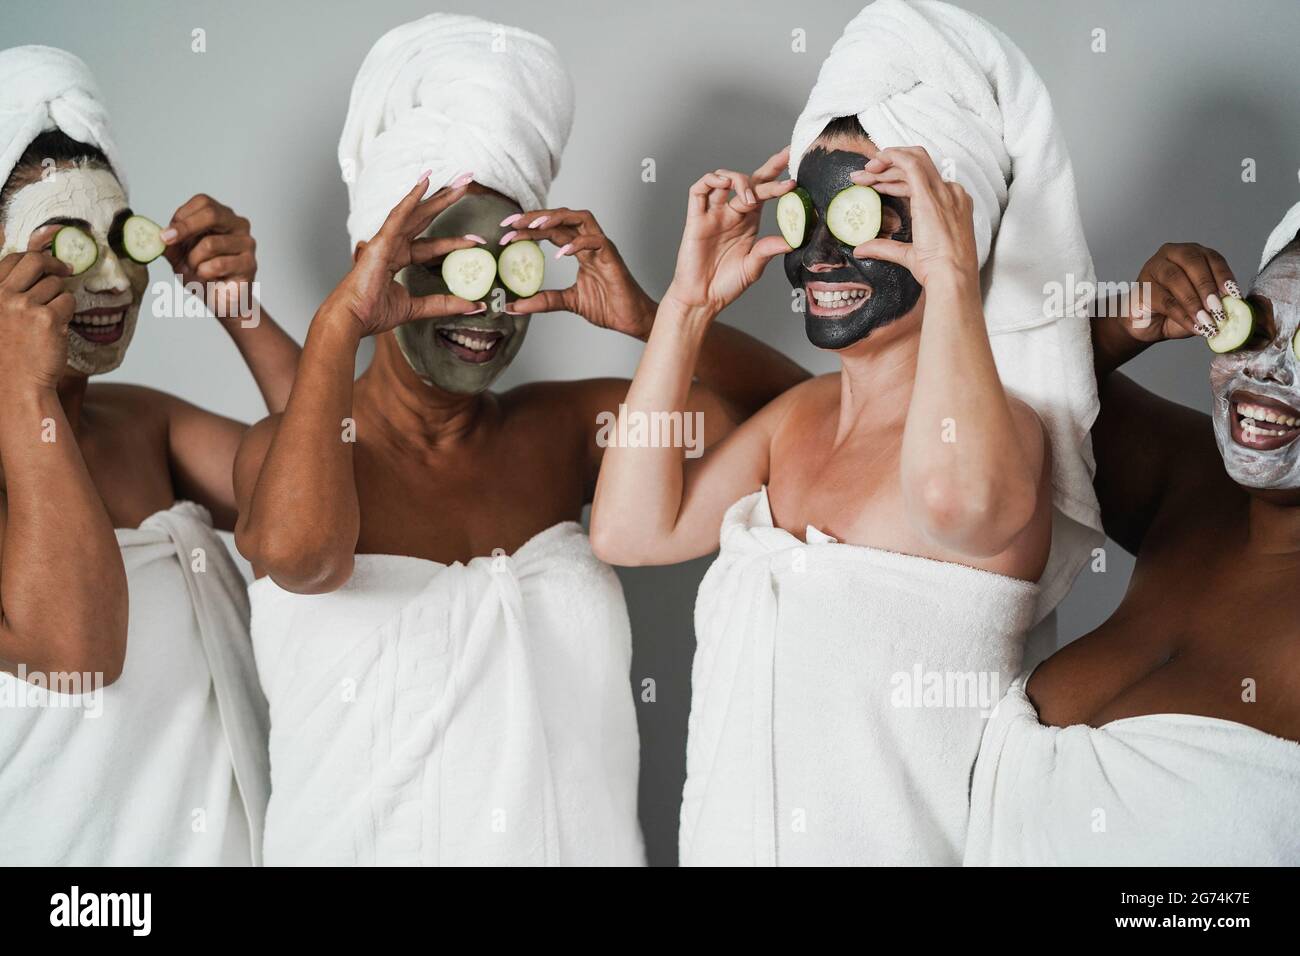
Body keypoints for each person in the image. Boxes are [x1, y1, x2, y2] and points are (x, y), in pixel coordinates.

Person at [233, 14, 807, 866]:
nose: (485, 305)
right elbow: (304, 555)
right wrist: (336, 327)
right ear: (375, 264)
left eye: (511, 266)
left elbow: (800, 429)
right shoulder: (291, 452)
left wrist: (656, 317)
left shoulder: (567, 430)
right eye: (449, 266)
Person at [589, 0, 1102, 865]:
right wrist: (685, 305)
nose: (821, 255)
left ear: (950, 225)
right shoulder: (798, 419)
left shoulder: (1007, 438)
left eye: (861, 218)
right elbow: (628, 531)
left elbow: (954, 503)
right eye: (805, 218)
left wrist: (949, 276)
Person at [0, 46, 299, 865]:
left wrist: (239, 310)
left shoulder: (145, 427)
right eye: (65, 247)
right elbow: (80, 650)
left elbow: (344, 486)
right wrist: (22, 388)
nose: (110, 280)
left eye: (119, 238)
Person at [965, 209, 1300, 866]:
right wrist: (1130, 320)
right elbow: (972, 414)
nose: (1263, 371)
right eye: (1256, 328)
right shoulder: (1196, 488)